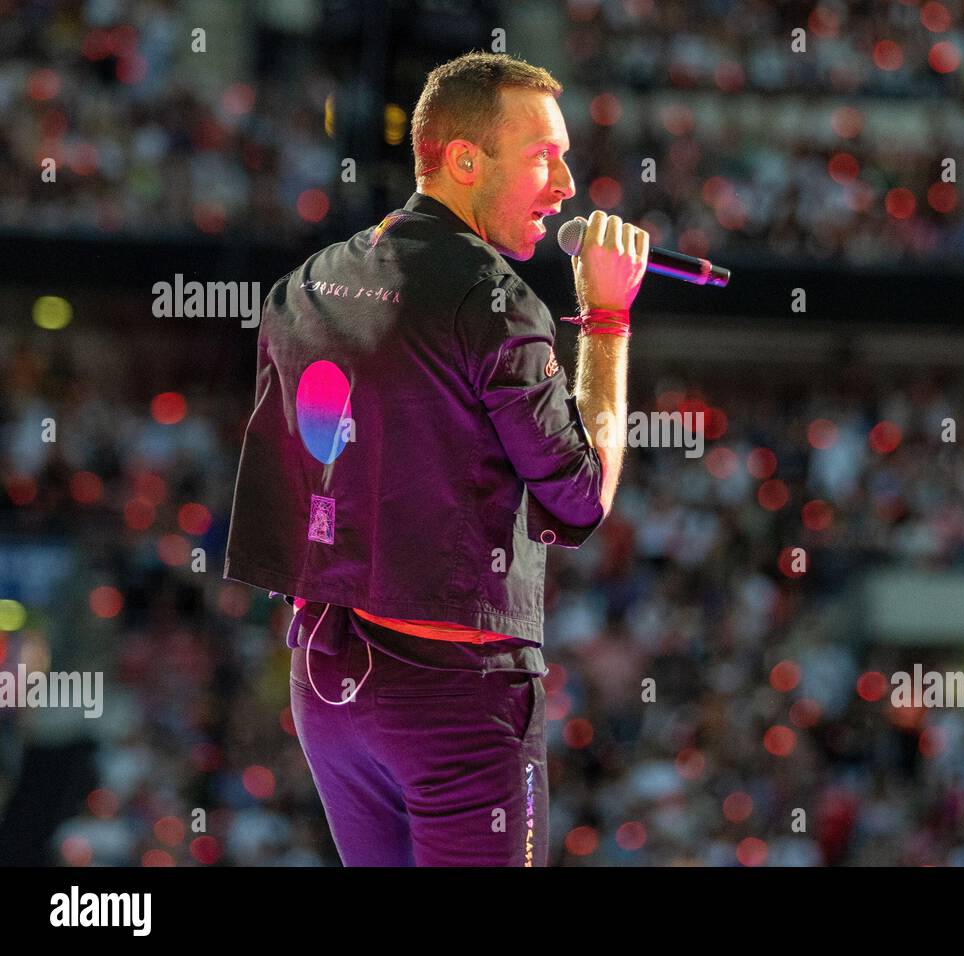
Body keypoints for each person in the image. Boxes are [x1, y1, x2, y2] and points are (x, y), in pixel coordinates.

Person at [222, 51, 648, 866]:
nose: (564, 186)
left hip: (326, 679)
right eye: (542, 157)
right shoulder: (497, 301)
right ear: (461, 159)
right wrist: (605, 317)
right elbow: (581, 496)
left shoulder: (308, 284)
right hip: (454, 692)